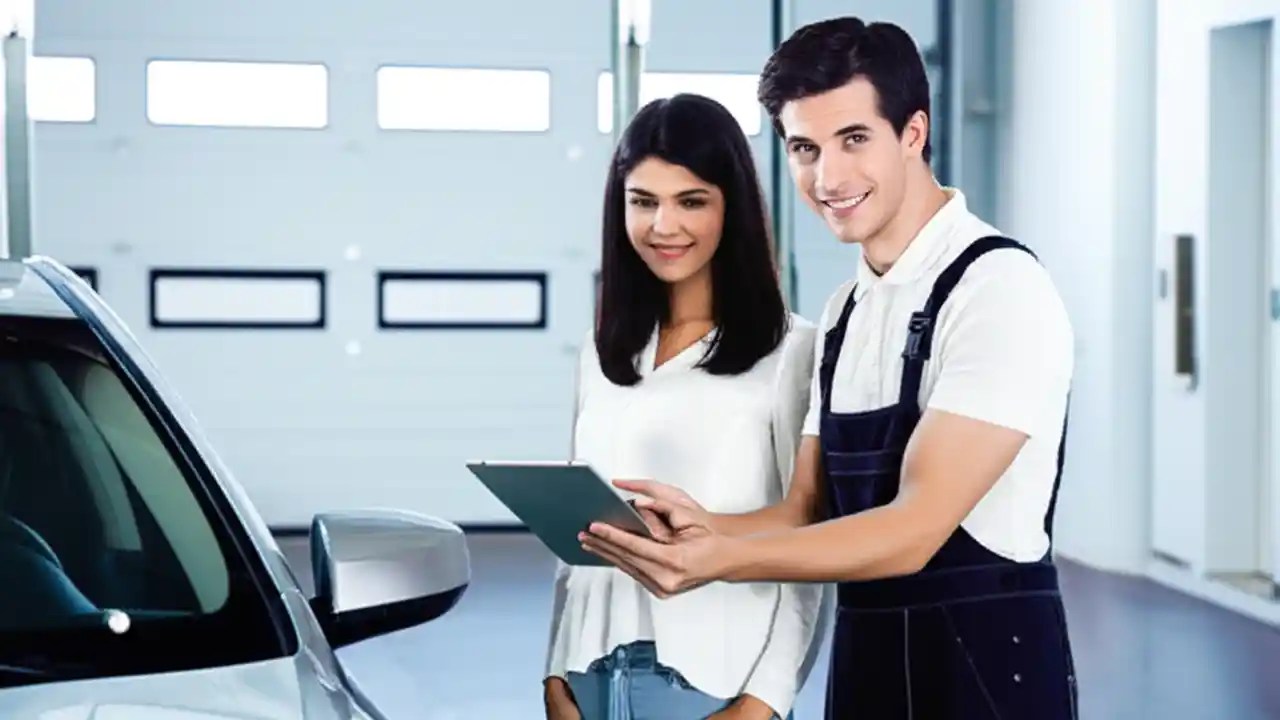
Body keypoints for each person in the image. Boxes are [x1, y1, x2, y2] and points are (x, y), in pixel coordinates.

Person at [580, 16, 1079, 720]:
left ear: (913, 132)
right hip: (868, 664)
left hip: (986, 671)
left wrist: (720, 561)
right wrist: (699, 526)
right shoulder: (846, 309)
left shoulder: (997, 288)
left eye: (854, 139)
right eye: (804, 148)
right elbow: (805, 510)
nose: (828, 178)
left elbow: (914, 529)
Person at [542, 93, 829, 720]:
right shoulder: (600, 351)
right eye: (643, 201)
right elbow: (579, 531)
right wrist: (555, 676)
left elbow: (808, 540)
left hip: (707, 687)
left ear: (733, 208)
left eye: (691, 201)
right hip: (589, 681)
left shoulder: (794, 353)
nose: (662, 226)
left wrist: (763, 703)